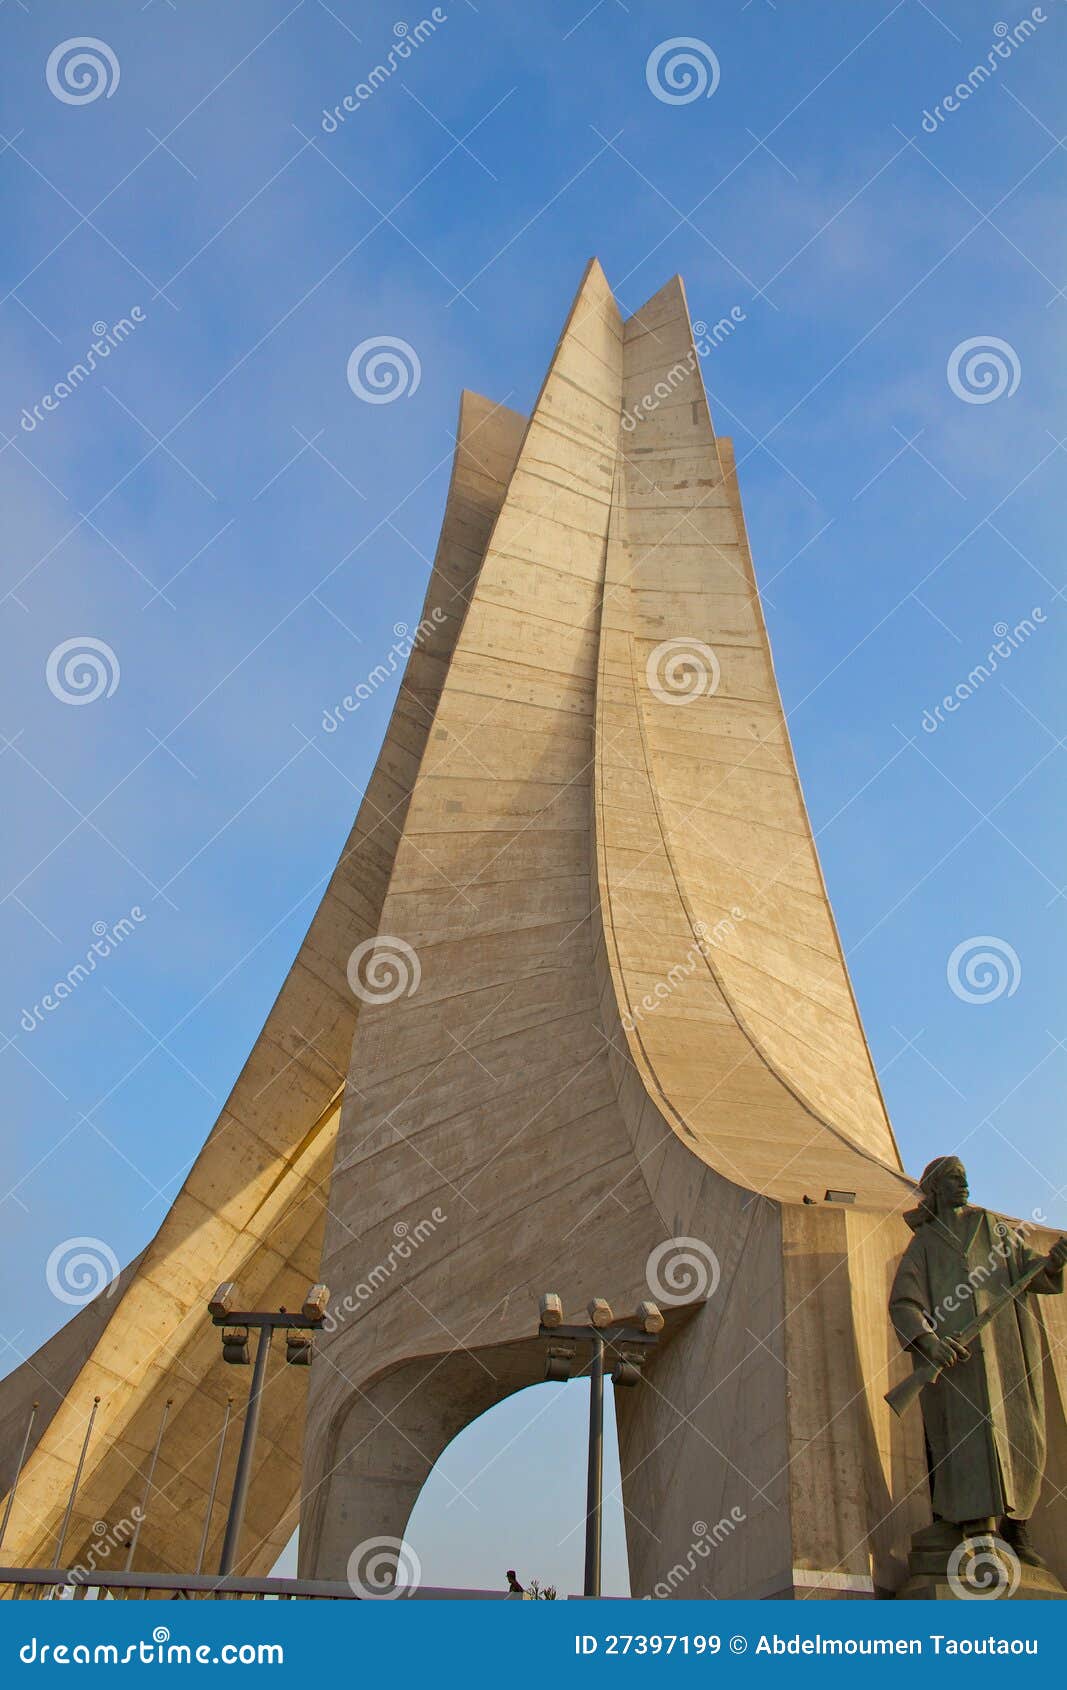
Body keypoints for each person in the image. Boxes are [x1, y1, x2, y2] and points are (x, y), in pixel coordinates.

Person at [889, 1155, 1067, 1567]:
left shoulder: (992, 1227)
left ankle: (1016, 1527)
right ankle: (971, 1528)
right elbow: (904, 1301)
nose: (963, 1184)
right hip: (959, 1365)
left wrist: (1052, 1264)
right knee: (963, 1444)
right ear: (935, 1189)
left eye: (965, 1178)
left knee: (1022, 1437)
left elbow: (1029, 1271)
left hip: (1005, 1355)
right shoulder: (925, 1244)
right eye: (954, 1179)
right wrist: (929, 1342)